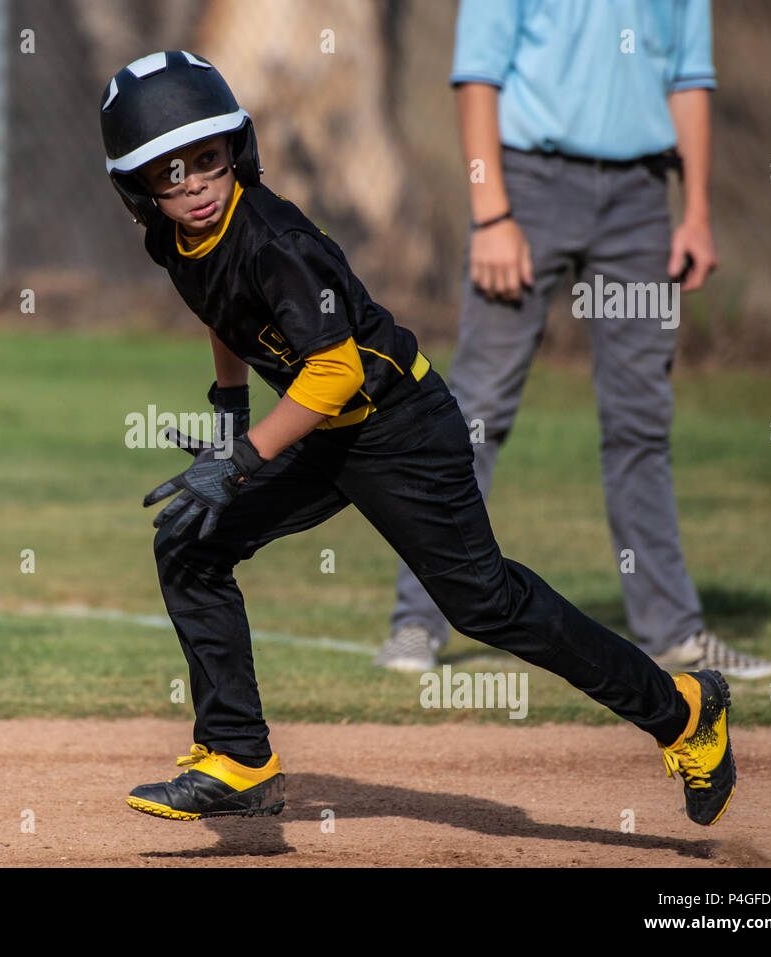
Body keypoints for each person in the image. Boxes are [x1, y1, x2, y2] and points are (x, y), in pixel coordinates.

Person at [99, 50, 734, 825]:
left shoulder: (274, 242)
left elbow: (335, 372)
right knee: (190, 543)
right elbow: (220, 309)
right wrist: (231, 409)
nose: (195, 183)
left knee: (485, 603)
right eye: (169, 173)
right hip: (316, 427)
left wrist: (246, 454)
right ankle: (238, 753)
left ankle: (682, 709)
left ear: (238, 147)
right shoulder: (177, 240)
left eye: (208, 157)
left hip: (399, 426)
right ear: (140, 191)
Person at [374, 0, 771, 680]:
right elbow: (477, 77)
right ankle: (417, 620)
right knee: (474, 413)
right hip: (528, 183)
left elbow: (688, 81)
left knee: (641, 421)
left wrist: (699, 212)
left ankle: (674, 632)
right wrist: (493, 214)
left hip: (642, 198)